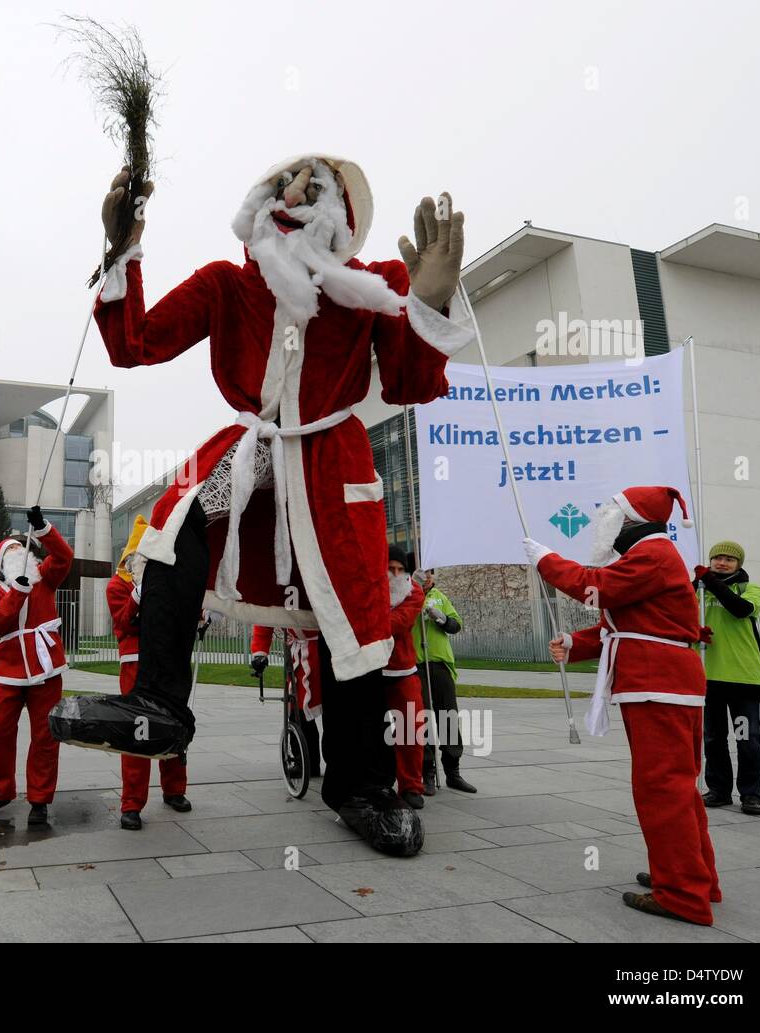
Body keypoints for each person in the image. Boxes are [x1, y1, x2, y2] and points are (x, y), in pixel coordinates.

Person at [91, 155, 473, 842]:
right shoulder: (227, 286)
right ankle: (157, 702)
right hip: (254, 444)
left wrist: (428, 302)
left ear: (342, 218)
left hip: (333, 457)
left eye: (312, 187)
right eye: (281, 184)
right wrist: (121, 250)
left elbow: (413, 383)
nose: (293, 193)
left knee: (352, 622)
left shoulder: (371, 286)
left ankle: (360, 786)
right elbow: (134, 345)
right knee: (172, 531)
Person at [524, 485, 720, 925]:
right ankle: (694, 876)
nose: (602, 521)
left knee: (661, 789)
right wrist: (577, 643)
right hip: (666, 681)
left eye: (610, 513)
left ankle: (683, 894)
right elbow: (629, 622)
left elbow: (594, 588)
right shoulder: (655, 556)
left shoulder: (652, 553)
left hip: (656, 684)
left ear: (630, 519)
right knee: (678, 787)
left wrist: (545, 559)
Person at [0, 506, 71, 826]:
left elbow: (65, 557)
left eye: (21, 547)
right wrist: (18, 589)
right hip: (9, 674)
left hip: (46, 670)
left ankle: (40, 800)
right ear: (1, 562)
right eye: (11, 550)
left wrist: (43, 528)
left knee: (45, 736)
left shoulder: (45, 577)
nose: (19, 551)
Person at [109, 516, 190, 830]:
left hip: (167, 663)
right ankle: (131, 804)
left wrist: (199, 613)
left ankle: (174, 790)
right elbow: (124, 623)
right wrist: (141, 591)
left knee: (174, 724)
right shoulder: (118, 586)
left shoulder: (166, 583)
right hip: (135, 666)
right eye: (141, 557)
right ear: (130, 557)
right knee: (136, 734)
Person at [696, 540, 760, 816]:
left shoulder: (750, 589)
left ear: (739, 564)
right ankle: (719, 790)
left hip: (742, 679)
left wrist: (710, 582)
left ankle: (751, 794)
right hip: (707, 677)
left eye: (729, 559)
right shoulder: (698, 592)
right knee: (713, 738)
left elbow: (740, 609)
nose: (722, 563)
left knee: (746, 738)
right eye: (717, 558)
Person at [411, 564, 475, 794]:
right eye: (423, 573)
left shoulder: (440, 597)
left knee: (448, 716)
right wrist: (414, 595)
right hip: (417, 664)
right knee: (423, 719)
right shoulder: (407, 595)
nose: (427, 577)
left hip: (440, 664)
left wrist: (442, 619)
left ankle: (453, 771)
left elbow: (456, 625)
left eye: (430, 573)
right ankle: (426, 772)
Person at [384, 546, 427, 809]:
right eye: (391, 569)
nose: (396, 574)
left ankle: (411, 786)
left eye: (400, 569)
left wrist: (370, 620)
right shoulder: (370, 588)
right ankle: (376, 782)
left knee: (411, 729)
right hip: (371, 669)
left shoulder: (415, 593)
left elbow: (397, 623)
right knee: (369, 731)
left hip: (403, 670)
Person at [251, 623, 322, 778]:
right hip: (299, 652)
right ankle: (304, 761)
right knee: (297, 711)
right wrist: (260, 653)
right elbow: (266, 616)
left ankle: (340, 763)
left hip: (328, 649)